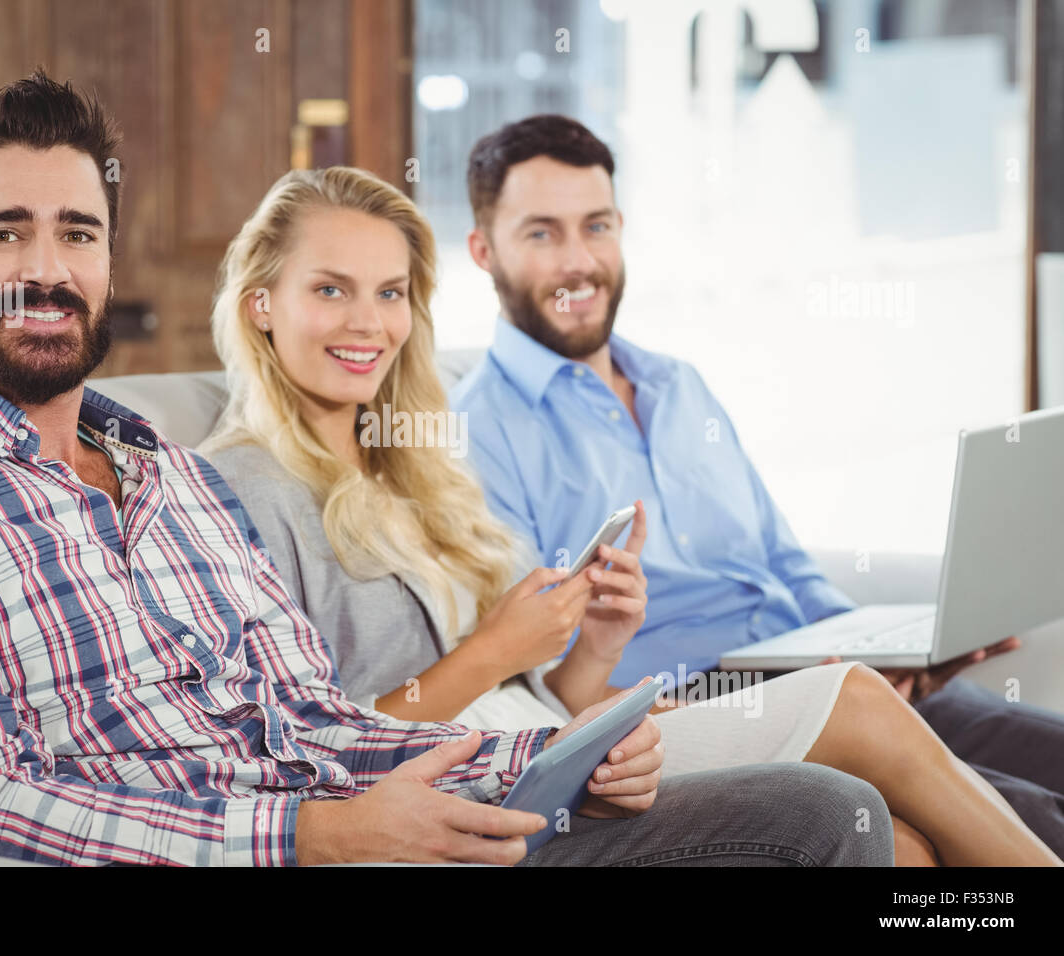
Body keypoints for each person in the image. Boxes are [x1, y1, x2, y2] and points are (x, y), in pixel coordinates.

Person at [0, 71, 895, 868]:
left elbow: (316, 718)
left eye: (77, 233)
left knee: (820, 810)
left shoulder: (167, 475)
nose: (47, 268)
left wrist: (530, 759)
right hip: (275, 853)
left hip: (385, 827)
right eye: (4, 234)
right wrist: (316, 835)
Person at [200, 163, 1059, 866]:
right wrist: (493, 650)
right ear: (261, 305)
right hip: (462, 787)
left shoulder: (414, 463)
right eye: (331, 290)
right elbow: (302, 751)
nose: (368, 323)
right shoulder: (234, 491)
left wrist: (597, 644)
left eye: (391, 294)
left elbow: (542, 690)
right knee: (859, 704)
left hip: (554, 739)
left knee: (902, 845)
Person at [447, 113, 1064, 857]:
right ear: (484, 250)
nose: (579, 261)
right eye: (542, 233)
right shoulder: (477, 432)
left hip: (821, 671)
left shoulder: (679, 385)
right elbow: (538, 675)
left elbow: (783, 559)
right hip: (698, 700)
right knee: (1024, 812)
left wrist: (885, 651)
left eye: (597, 226)